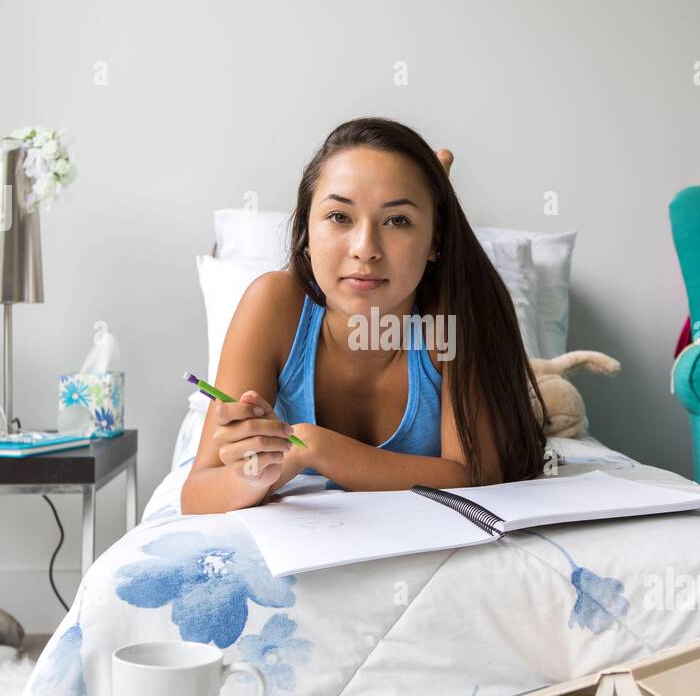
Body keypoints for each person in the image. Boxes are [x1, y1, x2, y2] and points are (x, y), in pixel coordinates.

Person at [180, 117, 547, 514]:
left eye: (397, 221)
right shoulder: (273, 304)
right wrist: (254, 476)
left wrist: (314, 448)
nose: (365, 249)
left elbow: (476, 480)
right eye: (339, 217)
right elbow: (197, 494)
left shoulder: (450, 318)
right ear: (305, 229)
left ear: (434, 243)